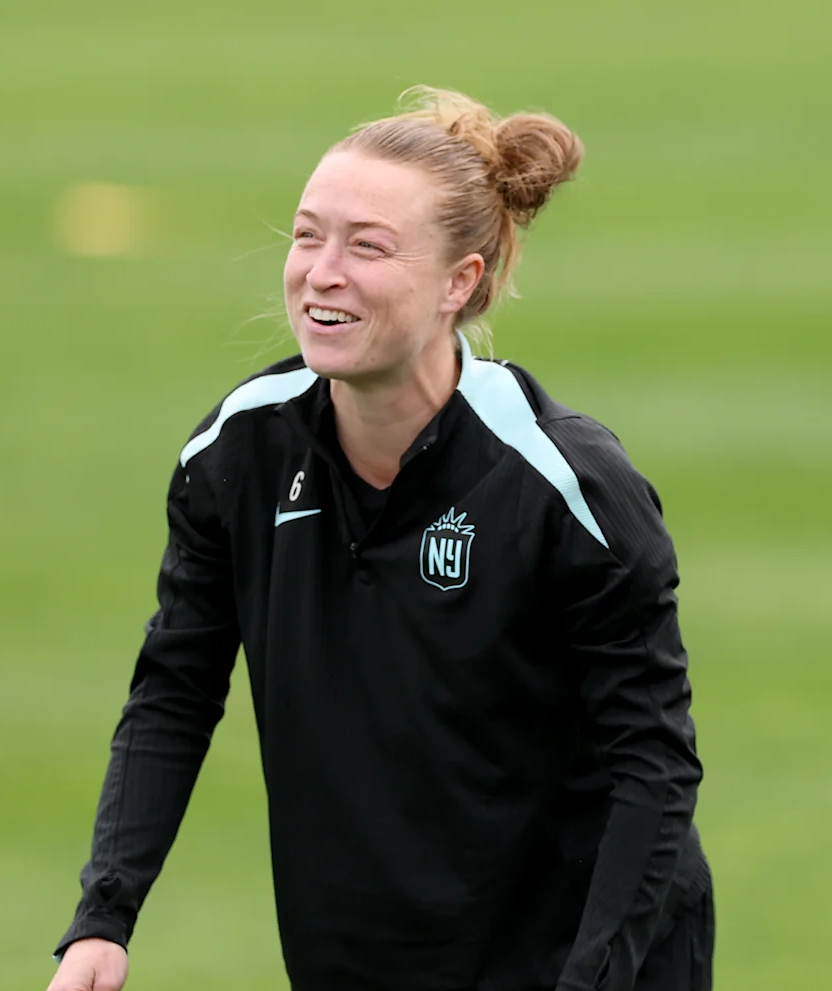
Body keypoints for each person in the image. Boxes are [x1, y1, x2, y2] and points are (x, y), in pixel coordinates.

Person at [48, 89, 712, 991]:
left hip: (580, 958)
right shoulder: (236, 454)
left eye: (367, 246)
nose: (322, 271)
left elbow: (654, 763)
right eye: (307, 235)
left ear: (460, 282)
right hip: (360, 957)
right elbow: (175, 688)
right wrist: (104, 918)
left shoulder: (567, 486)